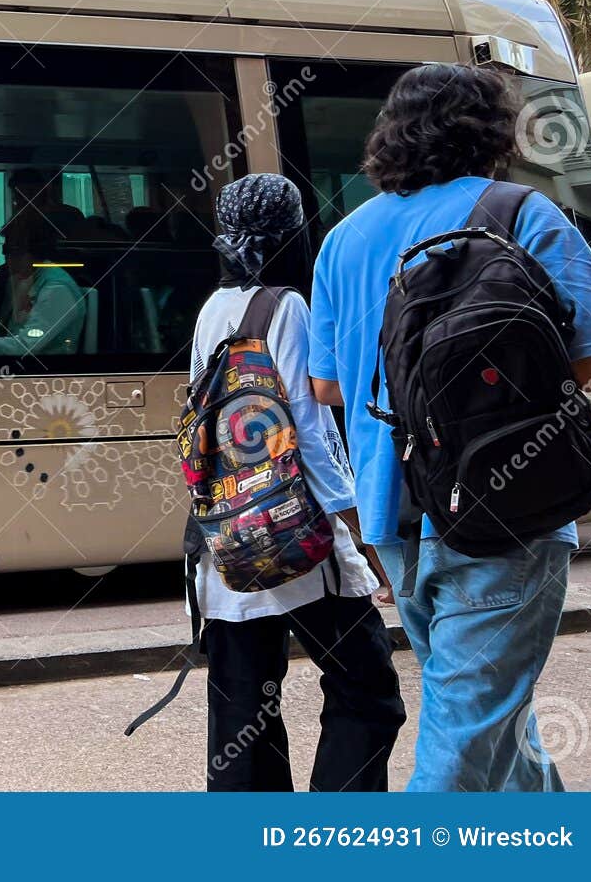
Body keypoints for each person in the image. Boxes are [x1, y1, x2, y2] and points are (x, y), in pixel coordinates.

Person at [309, 63, 591, 792]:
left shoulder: (344, 237)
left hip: (391, 513)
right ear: (492, 133)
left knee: (493, 714)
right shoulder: (520, 213)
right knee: (469, 734)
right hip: (505, 507)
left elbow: (325, 386)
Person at [187, 174, 404, 792]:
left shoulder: (213, 309)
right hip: (298, 540)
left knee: (242, 716)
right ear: (292, 234)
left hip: (227, 540)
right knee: (368, 692)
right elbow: (307, 433)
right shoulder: (287, 306)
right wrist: (364, 535)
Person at [0, 219, 89, 359]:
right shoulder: (22, 280)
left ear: (34, 251)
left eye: (11, 251)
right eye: (4, 251)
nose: (7, 258)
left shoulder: (57, 289)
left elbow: (26, 345)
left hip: (46, 372)